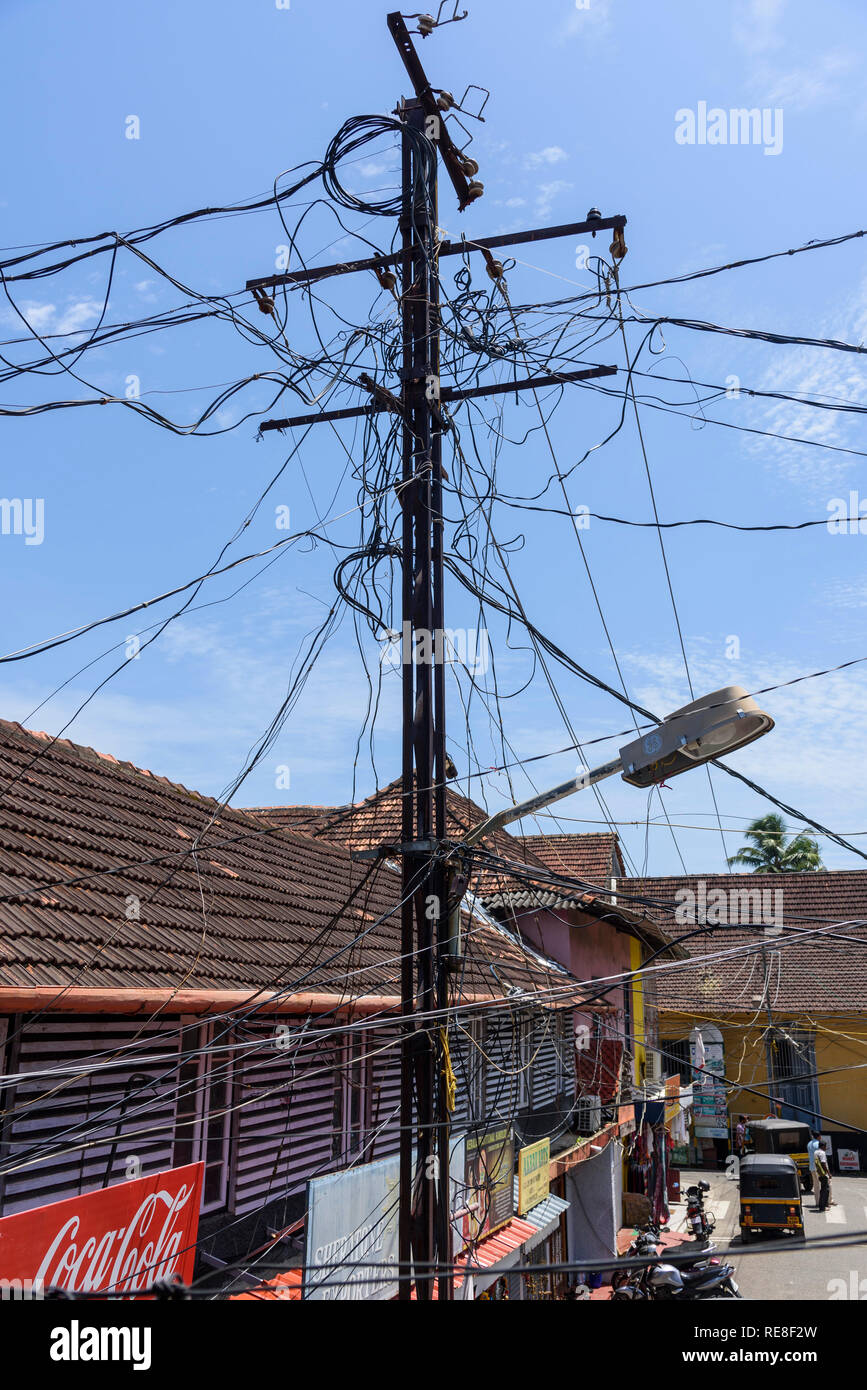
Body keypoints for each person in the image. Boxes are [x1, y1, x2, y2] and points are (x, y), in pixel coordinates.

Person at [815, 1145, 831, 1212]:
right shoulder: (822, 1153)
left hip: (819, 1173)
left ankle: (822, 1205)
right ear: (823, 1146)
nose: (825, 1148)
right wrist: (828, 1173)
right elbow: (823, 1163)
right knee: (825, 1190)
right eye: (825, 1146)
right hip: (824, 1174)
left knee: (823, 1189)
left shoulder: (816, 1152)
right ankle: (822, 1207)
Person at [807, 1130, 821, 1205]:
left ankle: (818, 1202)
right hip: (818, 1168)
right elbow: (819, 1157)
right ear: (819, 1136)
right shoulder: (818, 1144)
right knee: (822, 1185)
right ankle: (823, 1203)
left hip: (812, 1167)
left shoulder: (809, 1144)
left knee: (816, 1186)